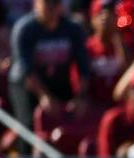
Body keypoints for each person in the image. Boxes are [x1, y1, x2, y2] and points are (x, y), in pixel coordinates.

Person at [8, 0, 91, 129]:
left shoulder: (73, 29)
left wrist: (81, 96)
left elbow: (83, 66)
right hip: (26, 85)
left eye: (55, 3)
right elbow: (26, 70)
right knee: (28, 123)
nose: (51, 7)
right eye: (47, 3)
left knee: (75, 117)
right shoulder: (24, 29)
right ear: (36, 4)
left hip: (57, 80)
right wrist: (44, 96)